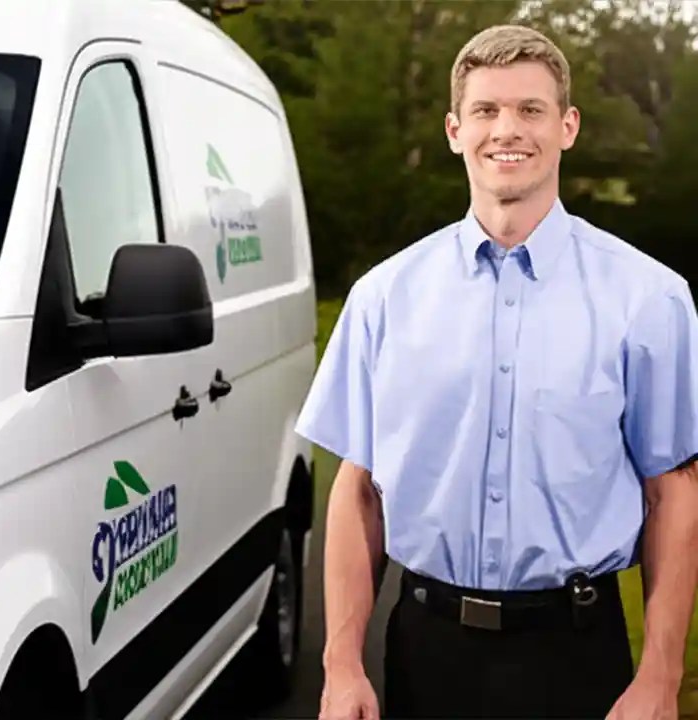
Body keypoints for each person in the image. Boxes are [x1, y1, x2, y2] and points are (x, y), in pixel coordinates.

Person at [296, 23, 698, 720]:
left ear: (567, 126)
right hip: (425, 650)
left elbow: (674, 496)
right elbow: (358, 493)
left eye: (530, 109)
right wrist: (340, 665)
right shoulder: (384, 298)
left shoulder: (650, 299)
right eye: (486, 110)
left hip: (576, 656)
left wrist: (661, 678)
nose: (506, 130)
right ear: (455, 130)